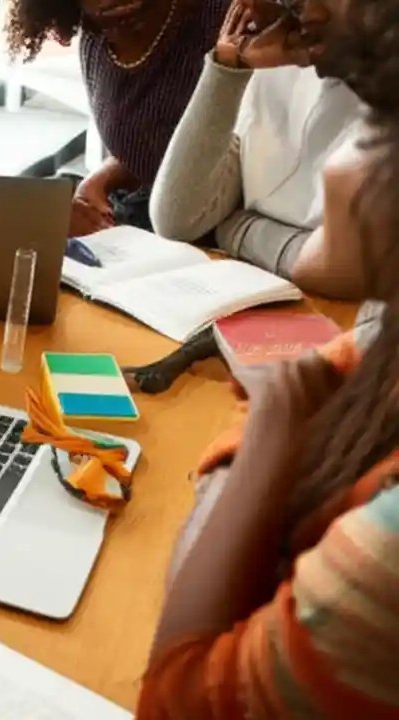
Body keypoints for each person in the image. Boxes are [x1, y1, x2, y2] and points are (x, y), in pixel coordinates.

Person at [138, 1, 398, 714]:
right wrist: (225, 71)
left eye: (375, 126)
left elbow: (176, 699)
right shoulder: (383, 338)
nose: (335, 174)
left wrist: (268, 435)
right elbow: (180, 213)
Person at [149, 0, 367, 295]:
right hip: (253, 302)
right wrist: (228, 68)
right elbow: (178, 217)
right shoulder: (282, 59)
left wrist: (235, 230)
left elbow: (341, 267)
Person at [6, 0, 227, 236]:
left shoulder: (220, 17)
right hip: (141, 214)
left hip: (211, 220)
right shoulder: (95, 39)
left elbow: (226, 149)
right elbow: (154, 144)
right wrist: (100, 181)